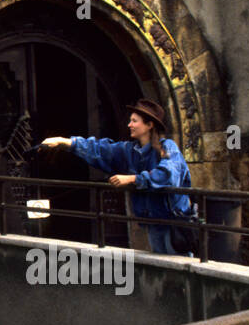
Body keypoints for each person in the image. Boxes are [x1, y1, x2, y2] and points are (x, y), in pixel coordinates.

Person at [41, 99, 195, 255]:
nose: (130, 125)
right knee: (163, 270)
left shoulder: (167, 147)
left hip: (174, 223)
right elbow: (101, 150)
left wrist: (133, 179)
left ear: (149, 125)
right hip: (153, 222)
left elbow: (168, 175)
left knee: (180, 266)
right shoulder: (130, 150)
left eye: (135, 121)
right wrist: (65, 142)